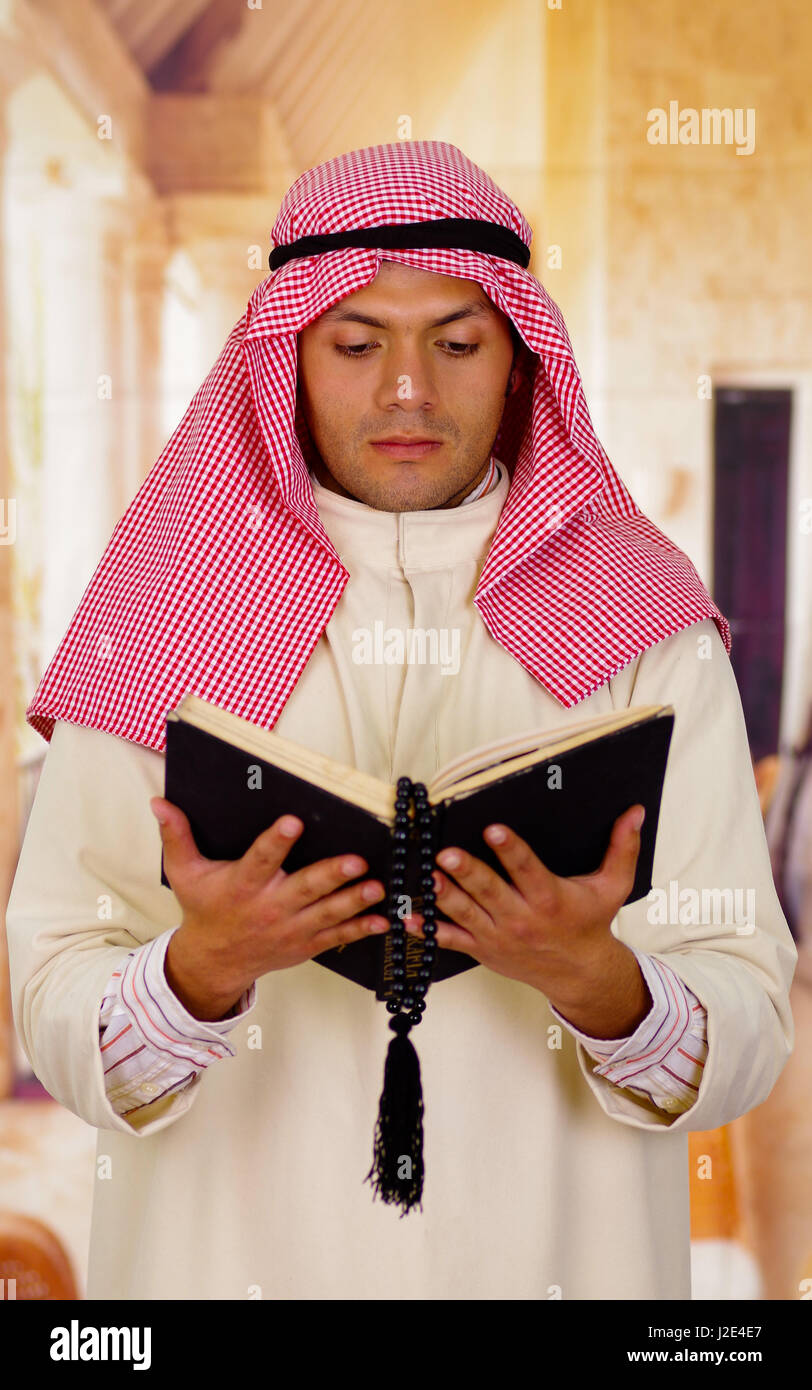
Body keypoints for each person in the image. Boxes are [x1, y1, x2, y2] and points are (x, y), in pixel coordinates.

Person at [5, 140, 796, 1300]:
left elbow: (751, 1023)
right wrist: (196, 973)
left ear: (520, 360)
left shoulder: (649, 630)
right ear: (285, 363)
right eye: (357, 343)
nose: (407, 390)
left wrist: (599, 986)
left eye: (456, 343)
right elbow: (50, 997)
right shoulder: (154, 617)